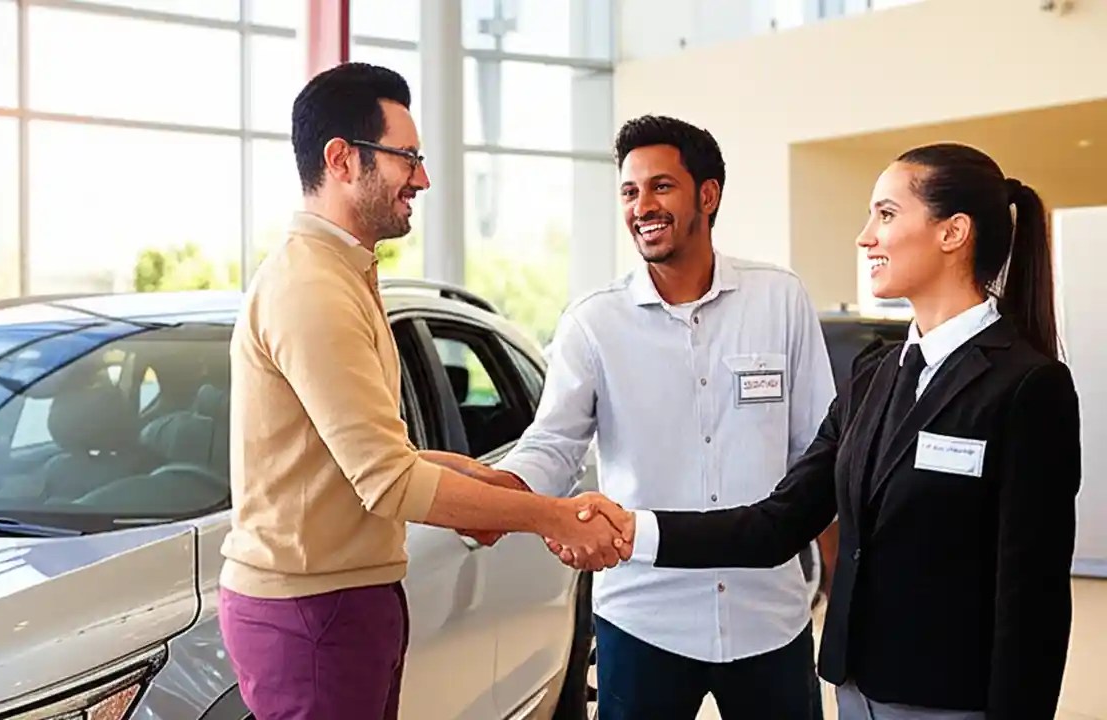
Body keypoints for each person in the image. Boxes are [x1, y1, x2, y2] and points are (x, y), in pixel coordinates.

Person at [563, 142, 1082, 720]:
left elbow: (1031, 600)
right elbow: (778, 523)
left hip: (953, 697)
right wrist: (634, 531)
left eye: (885, 214)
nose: (865, 237)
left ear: (952, 232)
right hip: (857, 688)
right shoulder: (875, 375)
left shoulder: (1029, 388)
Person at [217, 62, 631, 720]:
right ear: (343, 160)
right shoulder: (312, 289)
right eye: (406, 157)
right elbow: (387, 482)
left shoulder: (341, 274)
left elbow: (375, 455)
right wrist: (552, 517)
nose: (423, 177)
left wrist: (489, 489)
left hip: (344, 603)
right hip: (313, 613)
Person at [474, 114, 837, 719]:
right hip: (643, 618)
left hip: (768, 615)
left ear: (708, 194)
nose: (643, 205)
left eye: (661, 186)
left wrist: (843, 577)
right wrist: (505, 497)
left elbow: (817, 452)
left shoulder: (780, 299)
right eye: (629, 191)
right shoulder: (594, 321)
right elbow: (553, 444)